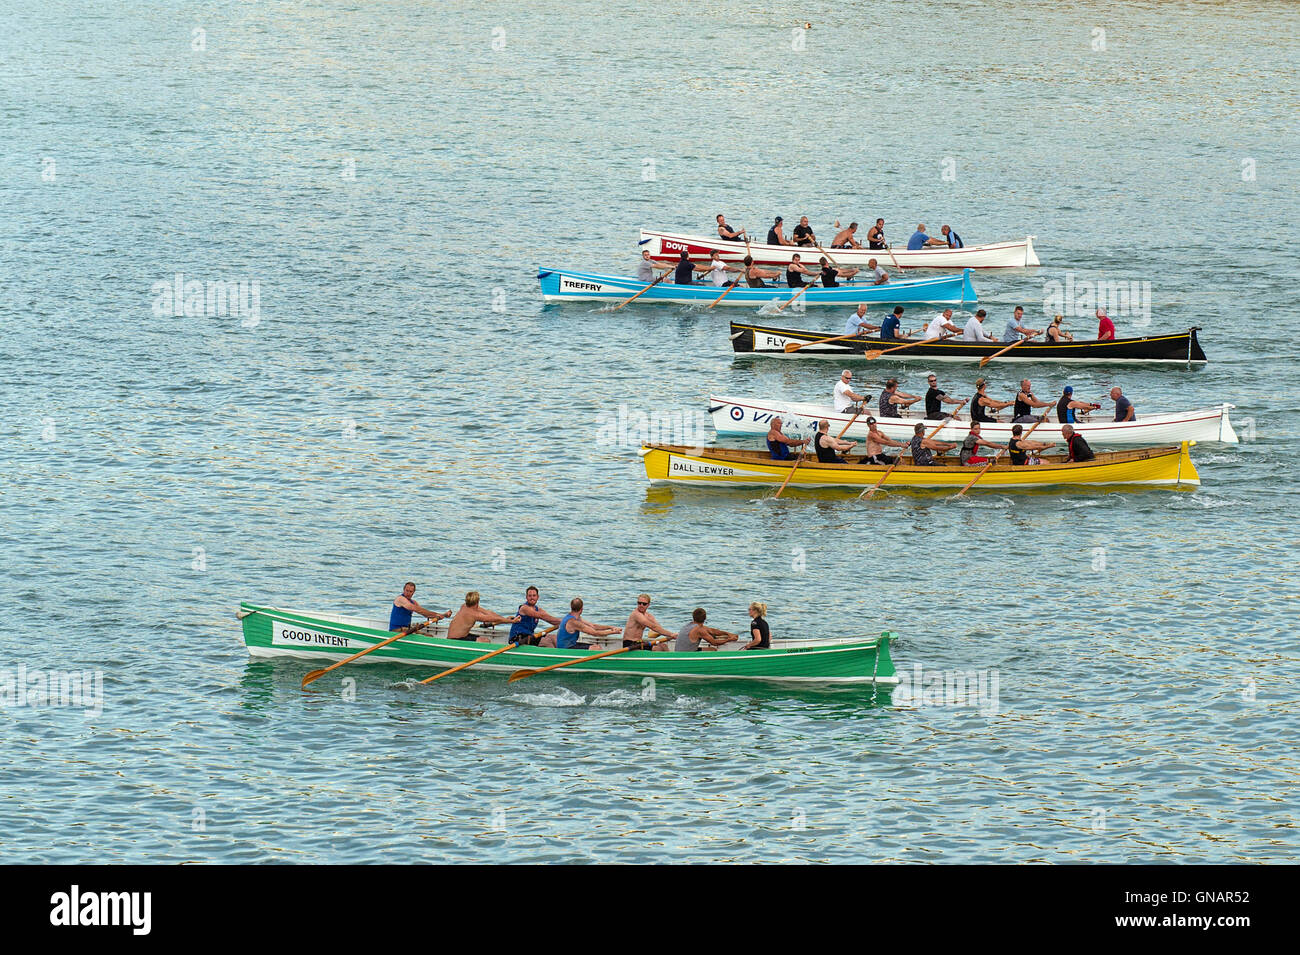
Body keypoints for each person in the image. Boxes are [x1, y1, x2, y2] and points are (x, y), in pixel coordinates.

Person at [540, 597, 622, 650]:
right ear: (582, 609)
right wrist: (614, 632)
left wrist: (610, 627)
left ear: (571, 608)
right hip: (566, 649)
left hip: (571, 645)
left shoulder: (575, 617)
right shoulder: (573, 622)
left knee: (595, 646)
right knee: (596, 648)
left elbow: (593, 626)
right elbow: (595, 633)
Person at [447, 591, 521, 642]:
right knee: (486, 641)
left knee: (482, 638)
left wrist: (504, 618)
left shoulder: (465, 606)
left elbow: (488, 613)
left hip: (460, 636)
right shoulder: (474, 615)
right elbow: (492, 619)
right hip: (455, 640)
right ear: (477, 601)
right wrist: (511, 621)